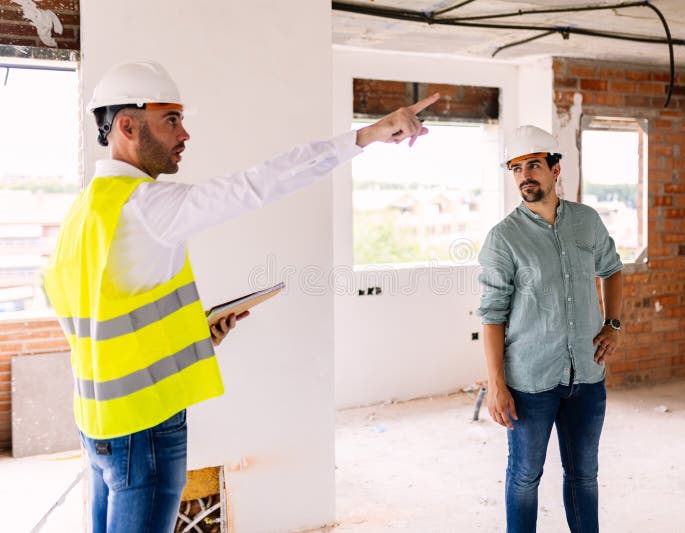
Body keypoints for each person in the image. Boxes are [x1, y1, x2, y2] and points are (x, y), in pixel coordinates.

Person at [43, 60, 439, 533]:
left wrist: (195, 334)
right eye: (171, 120)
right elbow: (259, 184)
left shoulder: (83, 211)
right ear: (127, 126)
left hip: (99, 425)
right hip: (144, 429)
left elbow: (102, 322)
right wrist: (367, 136)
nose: (185, 133)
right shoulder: (145, 207)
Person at [476, 125, 623, 533]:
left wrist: (613, 324)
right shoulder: (503, 239)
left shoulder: (586, 222)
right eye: (516, 168)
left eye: (534, 165)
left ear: (555, 169)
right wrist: (496, 384)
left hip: (587, 380)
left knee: (584, 477)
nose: (525, 175)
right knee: (525, 478)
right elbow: (492, 315)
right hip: (530, 383)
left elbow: (612, 270)